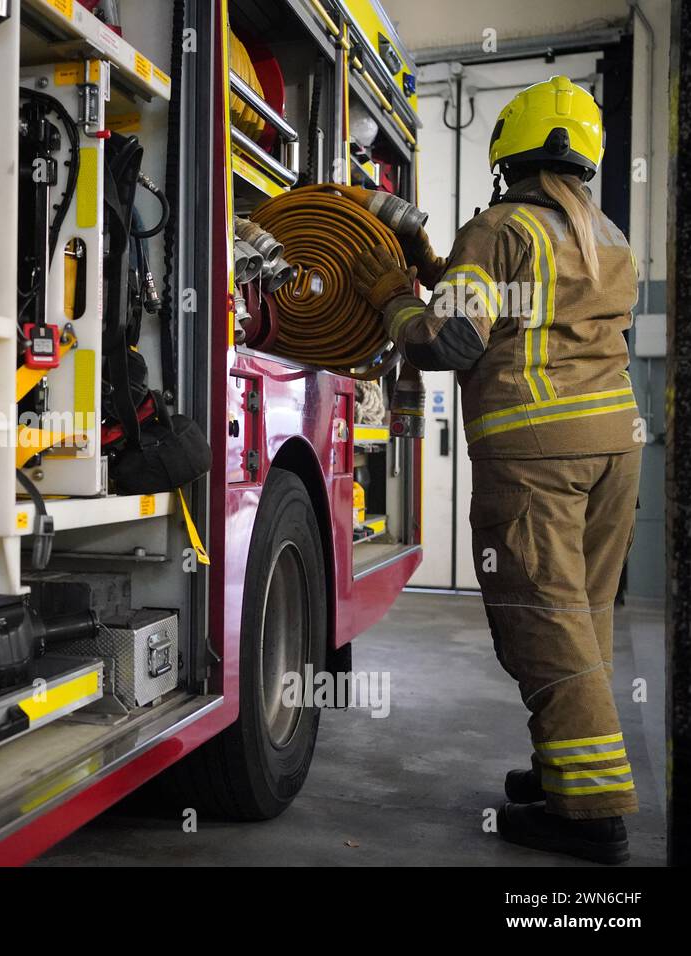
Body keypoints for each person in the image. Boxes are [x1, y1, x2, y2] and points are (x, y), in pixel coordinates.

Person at [352, 75, 643, 864]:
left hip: (536, 457)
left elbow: (451, 343)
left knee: (543, 624)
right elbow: (520, 310)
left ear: (507, 148)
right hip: (614, 451)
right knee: (581, 617)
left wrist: (389, 299)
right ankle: (564, 772)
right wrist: (435, 261)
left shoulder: (501, 225)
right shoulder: (607, 235)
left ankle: (591, 816)